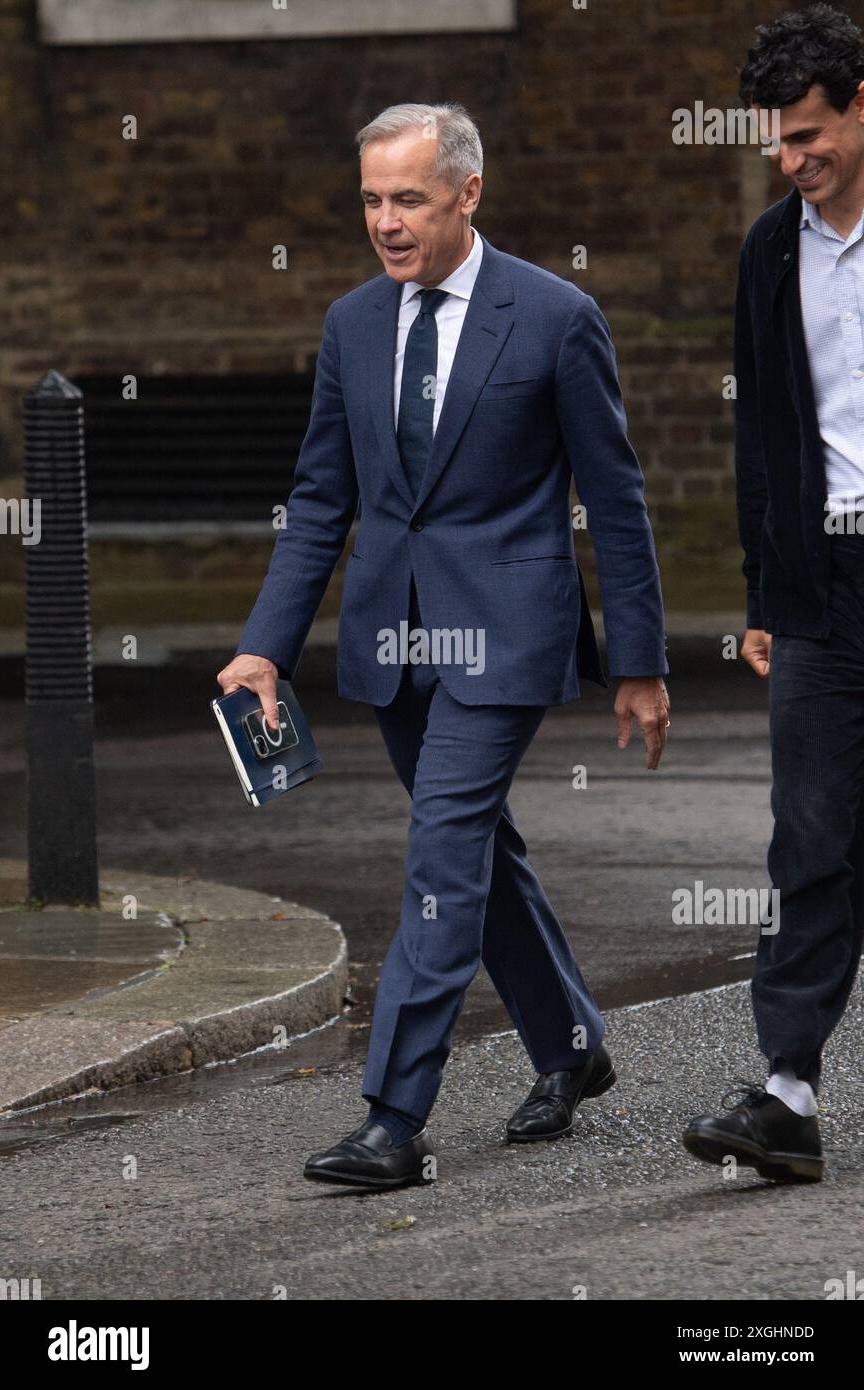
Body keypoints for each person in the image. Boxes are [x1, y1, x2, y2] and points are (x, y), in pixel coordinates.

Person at [218, 102, 669, 1190]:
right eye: (371, 198)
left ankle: (393, 1114)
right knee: (471, 850)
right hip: (392, 638)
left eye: (407, 198)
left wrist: (642, 662)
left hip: (505, 633)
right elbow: (322, 497)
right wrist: (262, 648)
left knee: (439, 853)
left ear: (467, 193)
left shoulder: (556, 317)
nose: (385, 220)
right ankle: (570, 1046)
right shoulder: (351, 325)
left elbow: (613, 498)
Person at [684, 5, 864, 1184]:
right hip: (819, 583)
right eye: (775, 142)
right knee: (806, 835)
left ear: (859, 107)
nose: (791, 160)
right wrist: (760, 591)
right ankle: (786, 1092)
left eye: (809, 135)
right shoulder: (768, 250)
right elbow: (758, 430)